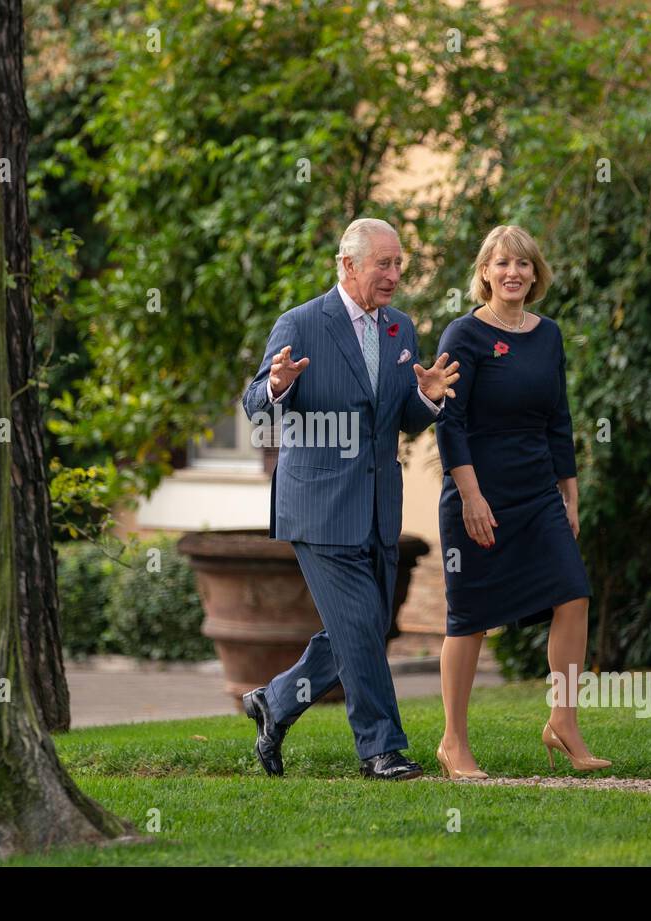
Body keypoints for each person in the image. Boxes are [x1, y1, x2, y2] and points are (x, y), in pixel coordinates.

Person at [240, 217, 460, 780]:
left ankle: (276, 702)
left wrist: (428, 401)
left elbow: (397, 419)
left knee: (359, 628)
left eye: (398, 265)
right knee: (361, 626)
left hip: (378, 508)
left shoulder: (401, 330)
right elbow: (254, 405)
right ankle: (381, 749)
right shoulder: (302, 323)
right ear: (348, 265)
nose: (393, 275)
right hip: (317, 506)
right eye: (383, 264)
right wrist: (279, 385)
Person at [434, 224, 611, 779]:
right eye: (502, 263)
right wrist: (470, 495)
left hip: (539, 494)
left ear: (536, 275)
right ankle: (453, 743)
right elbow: (450, 422)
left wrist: (570, 494)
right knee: (470, 620)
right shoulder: (463, 335)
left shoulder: (548, 334)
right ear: (484, 273)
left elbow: (559, 419)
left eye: (524, 264)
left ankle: (564, 720)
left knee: (573, 595)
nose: (514, 272)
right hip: (478, 496)